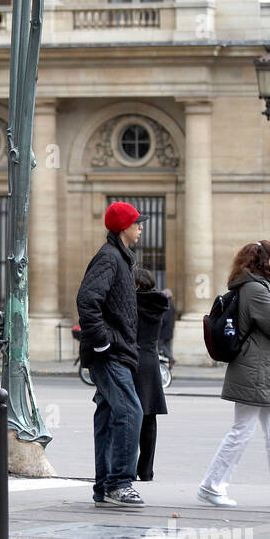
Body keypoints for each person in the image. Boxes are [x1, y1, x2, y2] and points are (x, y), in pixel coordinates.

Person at [198, 240, 270, 509]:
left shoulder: (250, 286)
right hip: (255, 372)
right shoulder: (255, 290)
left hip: (260, 370)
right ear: (267, 263)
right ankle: (211, 486)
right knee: (243, 431)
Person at [76, 202, 144, 508]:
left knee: (107, 417)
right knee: (131, 412)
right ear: (123, 227)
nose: (141, 227)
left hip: (117, 351)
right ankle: (119, 482)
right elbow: (87, 300)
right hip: (111, 353)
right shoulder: (110, 258)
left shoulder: (120, 258)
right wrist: (103, 342)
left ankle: (104, 485)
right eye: (137, 222)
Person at [133, 267, 168, 482]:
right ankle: (146, 470)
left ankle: (126, 467)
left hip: (132, 359)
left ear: (136, 285)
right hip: (150, 359)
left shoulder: (131, 303)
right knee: (149, 418)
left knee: (129, 415)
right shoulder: (159, 304)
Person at [159, 288, 176, 363]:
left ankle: (170, 358)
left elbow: (164, 318)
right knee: (168, 346)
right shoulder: (171, 304)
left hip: (164, 330)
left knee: (161, 345)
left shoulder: (166, 304)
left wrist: (159, 326)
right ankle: (169, 361)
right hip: (169, 330)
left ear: (167, 295)